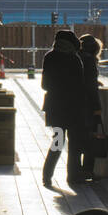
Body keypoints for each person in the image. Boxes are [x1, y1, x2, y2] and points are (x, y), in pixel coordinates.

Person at [41, 30, 87, 189]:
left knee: (58, 141)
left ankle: (47, 176)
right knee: (75, 143)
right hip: (73, 109)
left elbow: (44, 85)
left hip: (55, 107)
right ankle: (73, 176)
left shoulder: (49, 57)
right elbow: (81, 86)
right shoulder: (74, 59)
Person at [79, 34, 105, 183]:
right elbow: (90, 86)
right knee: (90, 139)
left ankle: (77, 171)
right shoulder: (89, 60)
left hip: (76, 105)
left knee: (77, 140)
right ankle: (88, 171)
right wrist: (97, 107)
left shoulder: (77, 57)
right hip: (88, 106)